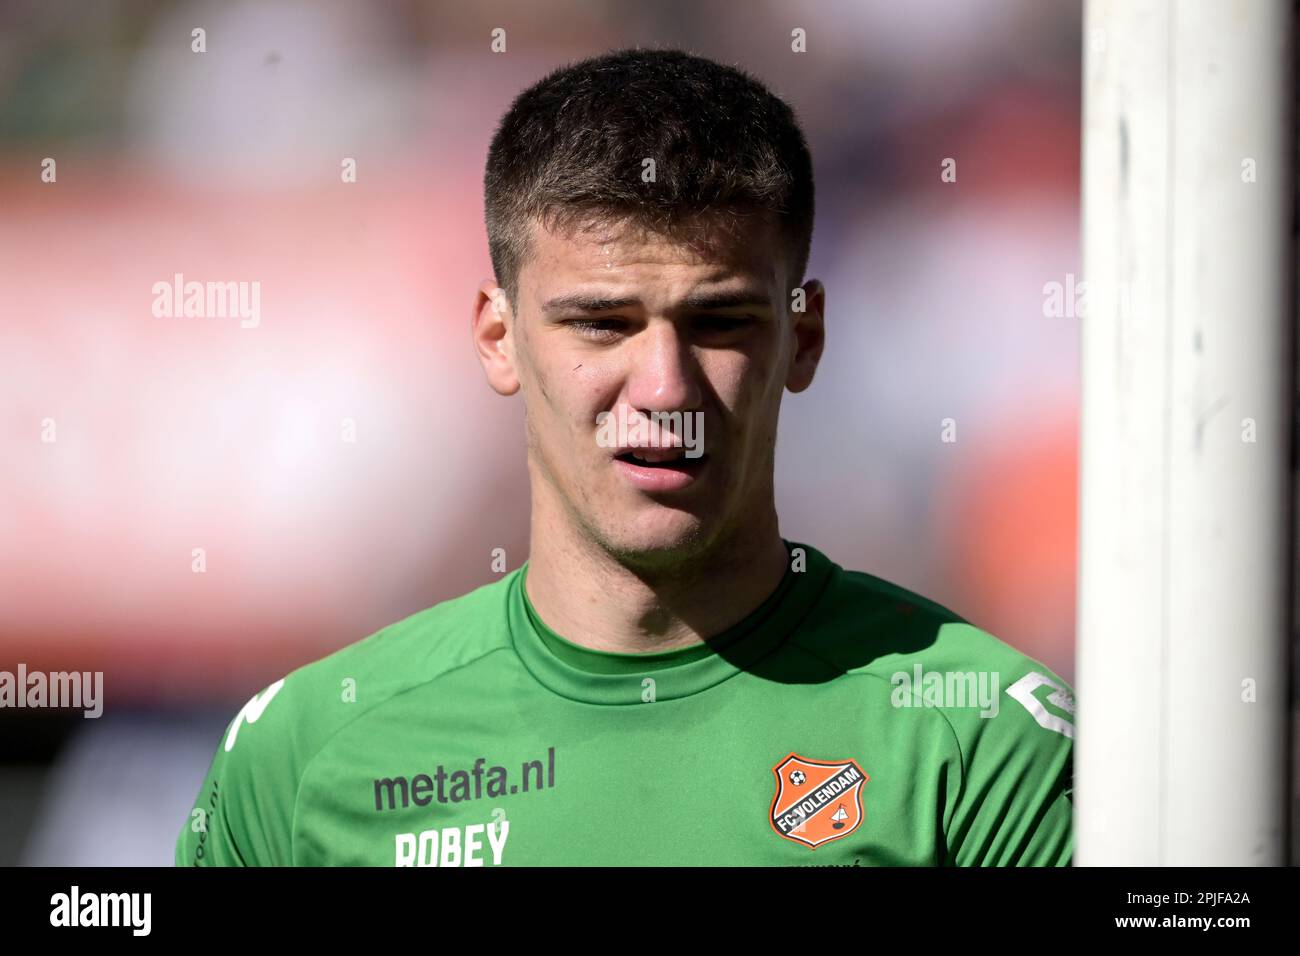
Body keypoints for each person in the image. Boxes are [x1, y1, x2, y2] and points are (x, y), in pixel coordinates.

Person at [176, 47, 1074, 867]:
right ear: (498, 339)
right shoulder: (306, 752)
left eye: (718, 322)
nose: (663, 387)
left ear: (805, 339)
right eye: (601, 324)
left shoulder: (984, 737)